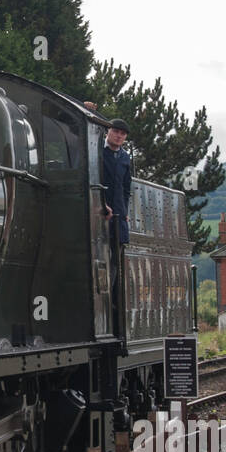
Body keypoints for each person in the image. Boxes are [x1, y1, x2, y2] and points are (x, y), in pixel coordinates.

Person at [101, 119, 132, 342]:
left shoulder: (125, 158)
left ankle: (111, 297)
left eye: (122, 134)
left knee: (115, 259)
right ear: (108, 132)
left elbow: (126, 187)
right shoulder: (96, 153)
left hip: (118, 215)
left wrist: (125, 210)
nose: (118, 136)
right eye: (115, 132)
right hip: (101, 211)